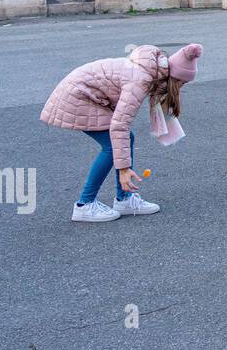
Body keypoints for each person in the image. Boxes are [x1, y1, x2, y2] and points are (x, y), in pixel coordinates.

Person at [41, 43, 202, 222]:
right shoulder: (140, 81)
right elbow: (119, 126)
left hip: (82, 94)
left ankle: (124, 199)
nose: (182, 87)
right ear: (174, 78)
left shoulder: (151, 70)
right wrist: (124, 170)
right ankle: (84, 205)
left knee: (125, 140)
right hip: (75, 98)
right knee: (111, 145)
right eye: (183, 83)